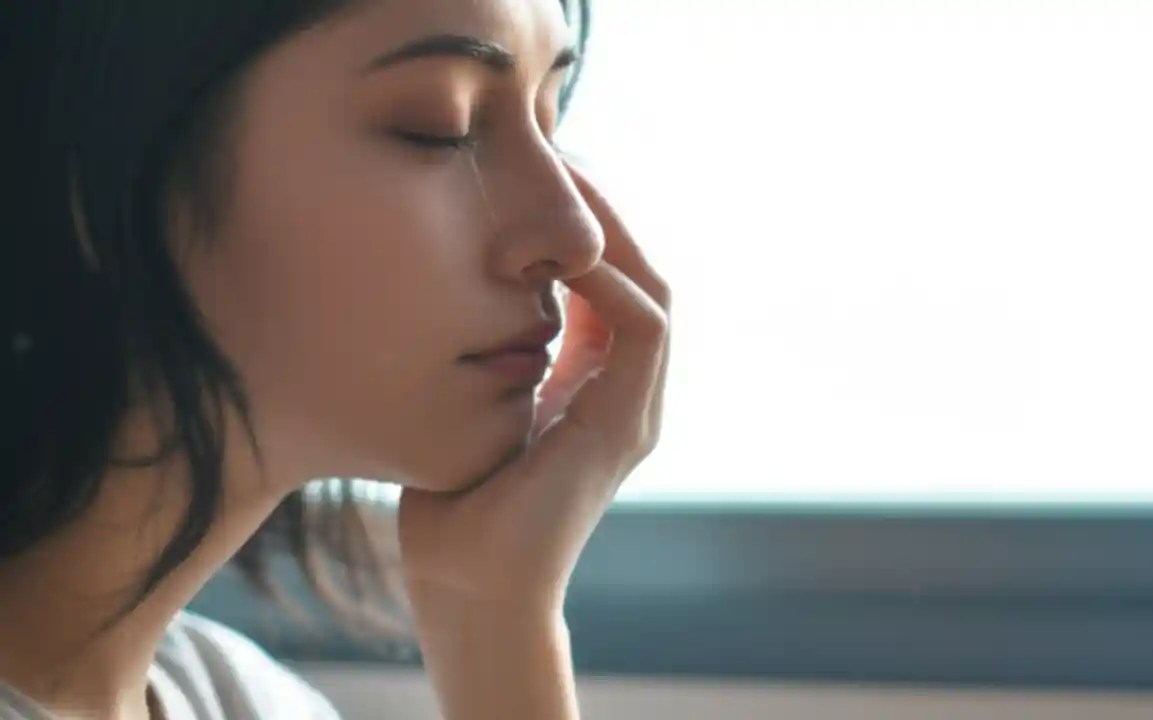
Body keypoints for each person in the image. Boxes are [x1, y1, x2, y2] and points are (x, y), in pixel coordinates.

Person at [0, 0, 671, 717]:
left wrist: (496, 615)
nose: (576, 237)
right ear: (98, 175)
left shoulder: (243, 699)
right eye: (438, 127)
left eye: (549, 122)